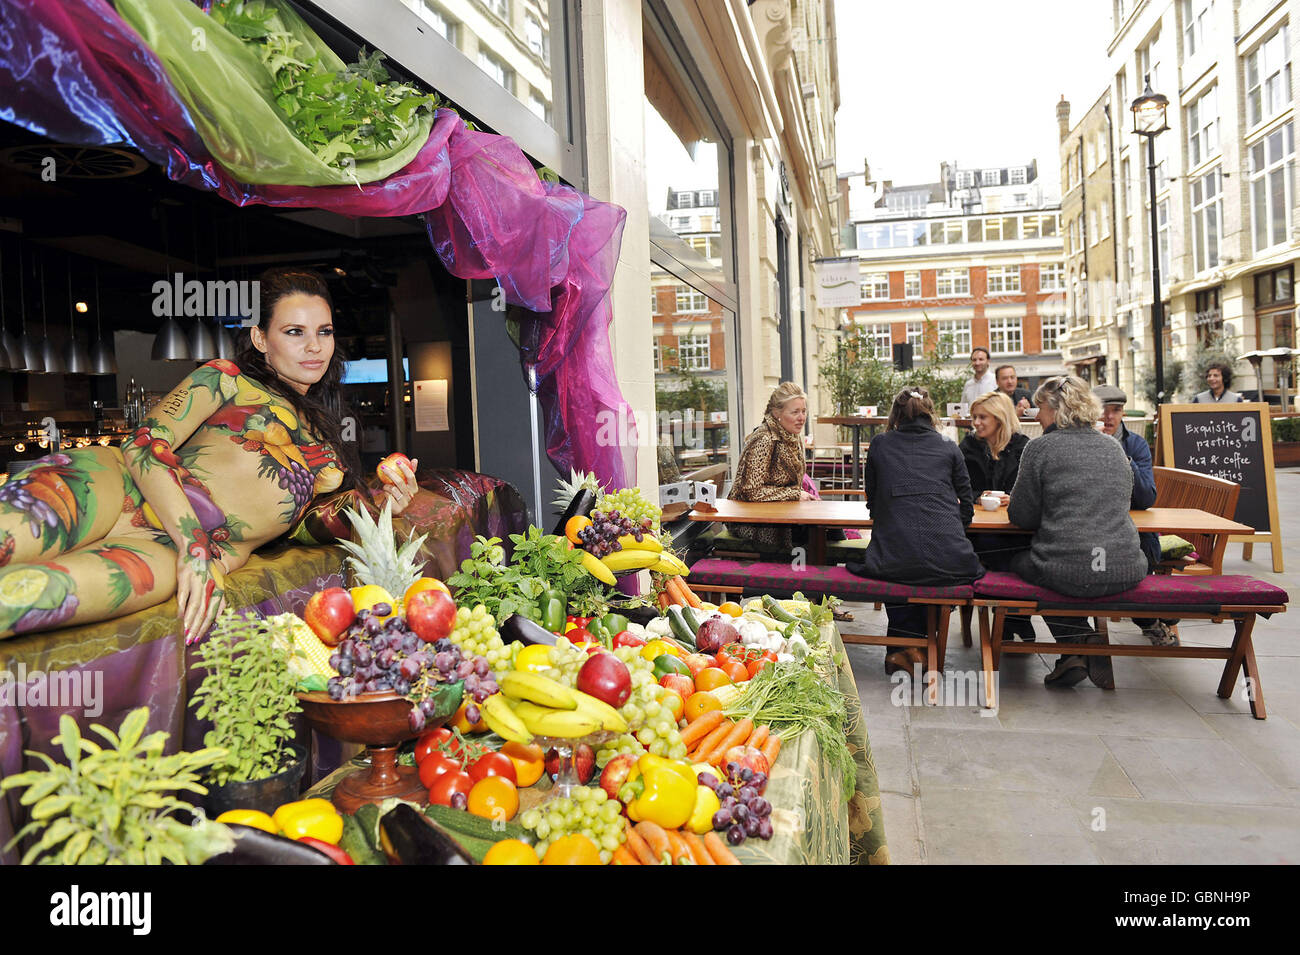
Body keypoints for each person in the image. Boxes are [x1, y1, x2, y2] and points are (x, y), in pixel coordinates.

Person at [0, 268, 420, 642]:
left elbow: (309, 528)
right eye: (295, 332)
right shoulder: (227, 379)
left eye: (324, 332)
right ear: (260, 338)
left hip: (167, 551)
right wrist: (193, 548)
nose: (314, 346)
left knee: (29, 598)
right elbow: (144, 442)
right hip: (116, 490)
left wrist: (386, 501)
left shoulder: (325, 455)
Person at [1008, 376, 1148, 688]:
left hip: (1069, 569)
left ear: (1055, 410)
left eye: (1040, 407)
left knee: (1022, 563)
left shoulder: (1040, 448)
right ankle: (1071, 653)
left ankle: (1078, 639)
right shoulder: (1114, 447)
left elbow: (1021, 516)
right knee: (1068, 565)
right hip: (1125, 566)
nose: (1037, 414)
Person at [848, 386, 983, 675]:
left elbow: (872, 500)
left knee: (898, 558)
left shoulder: (880, 445)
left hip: (893, 557)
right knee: (926, 565)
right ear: (930, 414)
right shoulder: (949, 446)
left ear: (895, 415)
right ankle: (916, 646)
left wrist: (893, 517)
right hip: (948, 556)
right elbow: (967, 503)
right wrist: (950, 529)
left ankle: (904, 647)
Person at [1095, 384, 1179, 647]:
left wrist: (1121, 456)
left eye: (1116, 411)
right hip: (1096, 532)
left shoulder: (1135, 445)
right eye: (1103, 411)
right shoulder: (1082, 445)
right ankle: (1152, 620)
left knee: (1129, 560)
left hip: (1136, 535)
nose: (1109, 417)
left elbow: (1146, 499)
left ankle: (1152, 620)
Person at [726, 381, 811, 552]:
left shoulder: (792, 436)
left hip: (781, 515)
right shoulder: (765, 439)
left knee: (827, 531)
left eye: (803, 411)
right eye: (795, 412)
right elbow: (750, 490)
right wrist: (795, 494)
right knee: (818, 536)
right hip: (754, 522)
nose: (801, 417)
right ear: (777, 413)